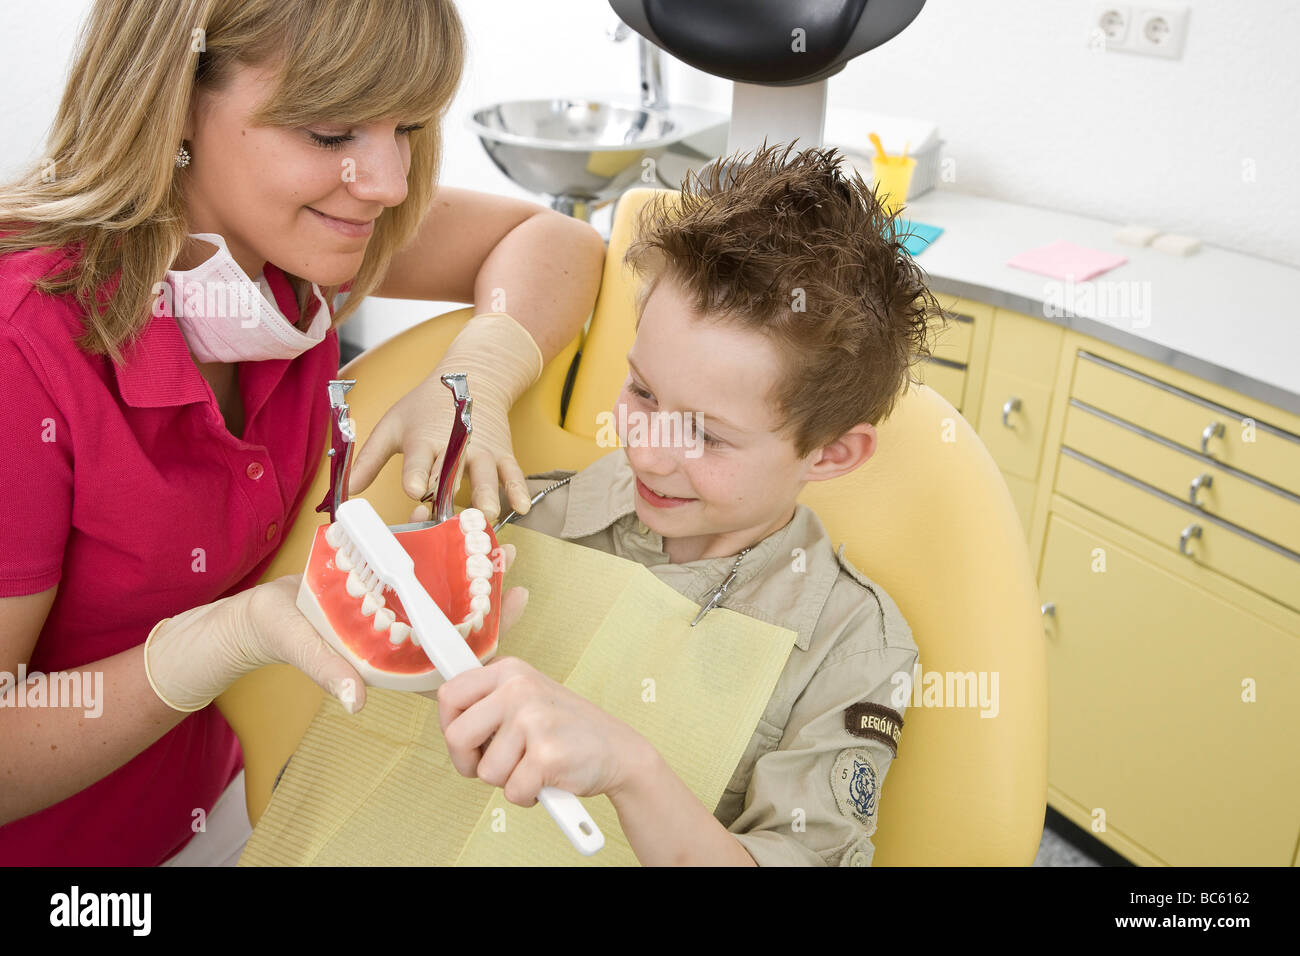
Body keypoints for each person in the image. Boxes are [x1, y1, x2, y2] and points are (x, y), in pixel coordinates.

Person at [0, 0, 604, 866]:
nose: (390, 181)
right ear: (174, 104)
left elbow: (551, 239)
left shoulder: (288, 243)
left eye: (409, 127)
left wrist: (479, 369)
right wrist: (215, 646)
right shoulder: (22, 349)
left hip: (213, 817)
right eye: (331, 133)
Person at [425, 142, 945, 865]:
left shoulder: (851, 645)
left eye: (704, 434)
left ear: (829, 454)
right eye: (641, 392)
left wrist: (632, 769)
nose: (647, 450)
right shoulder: (524, 513)